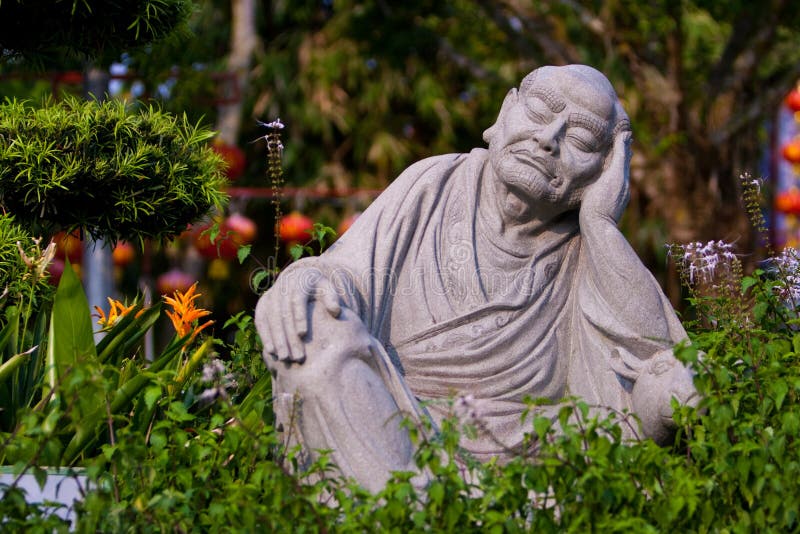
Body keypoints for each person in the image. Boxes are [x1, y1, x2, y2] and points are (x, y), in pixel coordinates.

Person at [255, 64, 691, 492]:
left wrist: (600, 224)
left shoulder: (585, 249)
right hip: (388, 420)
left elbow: (655, 361)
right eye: (539, 111)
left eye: (580, 139)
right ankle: (404, 503)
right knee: (312, 333)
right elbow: (346, 275)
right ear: (505, 111)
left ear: (603, 169)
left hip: (526, 456)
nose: (548, 139)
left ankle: (409, 511)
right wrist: (306, 279)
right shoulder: (434, 183)